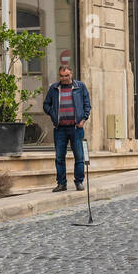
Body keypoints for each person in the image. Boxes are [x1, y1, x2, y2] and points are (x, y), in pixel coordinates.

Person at [43, 63, 91, 191]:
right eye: (62, 76)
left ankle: (79, 182)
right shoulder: (54, 88)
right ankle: (61, 183)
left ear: (71, 74)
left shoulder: (80, 87)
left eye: (66, 75)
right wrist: (53, 114)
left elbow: (87, 104)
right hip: (60, 129)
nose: (64, 78)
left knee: (79, 156)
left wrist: (84, 119)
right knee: (59, 157)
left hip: (76, 128)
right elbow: (46, 105)